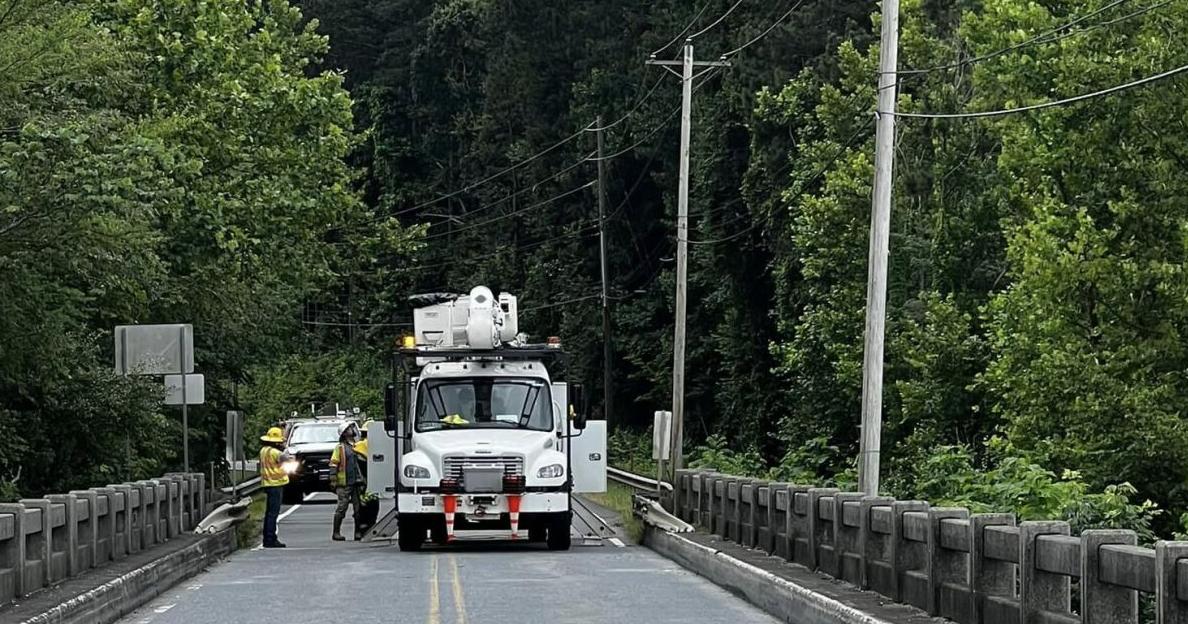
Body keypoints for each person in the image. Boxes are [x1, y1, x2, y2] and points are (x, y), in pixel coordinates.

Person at [329, 422, 365, 541]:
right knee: (342, 508)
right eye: (349, 428)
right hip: (344, 483)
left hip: (357, 481)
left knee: (358, 508)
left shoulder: (357, 445)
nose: (352, 430)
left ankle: (358, 532)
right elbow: (333, 463)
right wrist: (333, 479)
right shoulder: (340, 448)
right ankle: (336, 532)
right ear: (344, 433)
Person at [258, 426, 289, 548]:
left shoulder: (263, 451)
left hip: (267, 483)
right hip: (276, 483)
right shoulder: (275, 452)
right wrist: (285, 449)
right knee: (273, 514)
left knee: (269, 513)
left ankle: (267, 538)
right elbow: (286, 459)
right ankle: (271, 539)